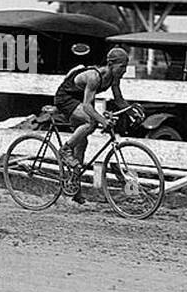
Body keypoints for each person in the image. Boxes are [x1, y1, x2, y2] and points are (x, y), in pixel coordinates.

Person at [54, 46, 130, 202]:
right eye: (122, 66)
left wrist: (132, 111)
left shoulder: (114, 77)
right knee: (91, 122)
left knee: (82, 144)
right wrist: (103, 121)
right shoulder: (94, 77)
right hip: (66, 98)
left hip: (80, 100)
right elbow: (88, 106)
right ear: (111, 64)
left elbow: (119, 100)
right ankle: (65, 150)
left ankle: (74, 189)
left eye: (126, 67)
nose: (125, 70)